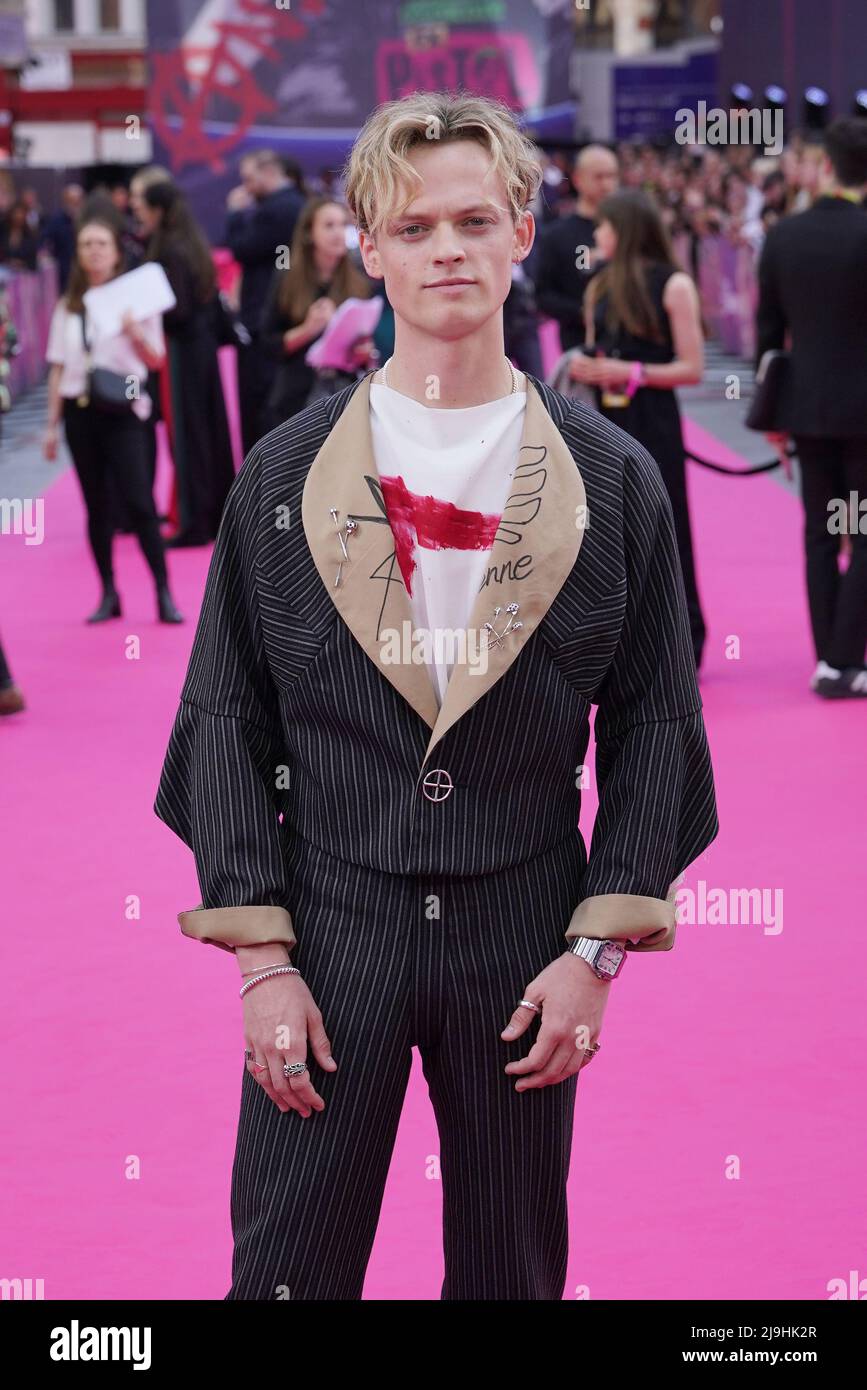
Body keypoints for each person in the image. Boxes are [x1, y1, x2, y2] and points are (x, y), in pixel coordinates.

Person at [153, 91, 718, 1302]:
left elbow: (658, 721)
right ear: (365, 247)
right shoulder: (286, 471)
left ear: (525, 231)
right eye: (412, 228)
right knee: (285, 1271)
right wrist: (262, 960)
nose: (446, 248)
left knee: (512, 1273)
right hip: (331, 917)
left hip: (526, 931)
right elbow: (221, 719)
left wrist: (594, 953)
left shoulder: (612, 478)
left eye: (474, 219)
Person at [570, 188, 707, 670]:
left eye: (603, 226)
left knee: (667, 527)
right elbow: (593, 351)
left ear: (624, 230)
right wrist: (588, 369)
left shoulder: (674, 285)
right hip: (606, 421)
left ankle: (686, 638)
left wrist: (632, 374)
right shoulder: (599, 288)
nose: (596, 235)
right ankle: (619, 643)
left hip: (654, 418)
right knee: (610, 531)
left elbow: (692, 367)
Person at [756, 116, 867, 698]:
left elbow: (768, 338)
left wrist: (771, 415)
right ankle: (846, 660)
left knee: (822, 532)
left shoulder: (783, 237)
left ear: (826, 168)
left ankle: (830, 658)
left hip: (807, 409)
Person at [42, 216, 183, 625]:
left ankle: (163, 591)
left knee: (140, 502)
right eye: (86, 243)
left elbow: (156, 359)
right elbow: (56, 368)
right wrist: (51, 427)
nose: (94, 250)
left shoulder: (138, 299)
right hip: (79, 411)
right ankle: (108, 591)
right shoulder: (67, 307)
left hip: (125, 411)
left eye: (101, 243)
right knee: (96, 506)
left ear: (116, 251)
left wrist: (134, 332)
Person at [138, 179, 235, 546]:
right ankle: (207, 516)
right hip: (201, 350)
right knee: (206, 432)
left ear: (157, 210)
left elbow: (176, 309)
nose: (136, 211)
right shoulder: (191, 244)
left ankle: (191, 521)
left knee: (186, 436)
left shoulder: (170, 251)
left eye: (140, 205)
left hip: (180, 353)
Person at [259, 196, 373, 430]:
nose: (338, 232)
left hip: (346, 394)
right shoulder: (287, 278)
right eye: (329, 225)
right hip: (297, 397)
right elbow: (268, 345)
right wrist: (309, 328)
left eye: (343, 224)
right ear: (309, 233)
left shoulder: (360, 279)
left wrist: (363, 352)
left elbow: (365, 347)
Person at [224, 149, 306, 455]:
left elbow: (240, 249)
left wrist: (234, 214)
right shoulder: (295, 203)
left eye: (249, 179)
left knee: (259, 402)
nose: (244, 188)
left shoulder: (275, 209)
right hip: (279, 311)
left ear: (269, 173)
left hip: (263, 318)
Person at [533, 144, 619, 353]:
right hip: (578, 347)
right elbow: (543, 294)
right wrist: (584, 312)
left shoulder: (631, 229)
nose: (607, 184)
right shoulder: (557, 235)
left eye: (612, 176)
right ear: (578, 179)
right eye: (599, 177)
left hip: (631, 350)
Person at [40, 184, 84, 292]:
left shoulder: (87, 218)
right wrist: (43, 252)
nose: (75, 204)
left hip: (83, 267)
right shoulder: (56, 220)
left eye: (77, 200)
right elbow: (44, 239)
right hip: (63, 268)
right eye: (71, 200)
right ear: (65, 201)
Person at [0, 201, 40, 271]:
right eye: (16, 213)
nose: (18, 216)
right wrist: (8, 262)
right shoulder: (3, 232)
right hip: (3, 271)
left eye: (21, 213)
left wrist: (22, 263)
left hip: (23, 273)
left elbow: (33, 261)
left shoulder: (30, 236)